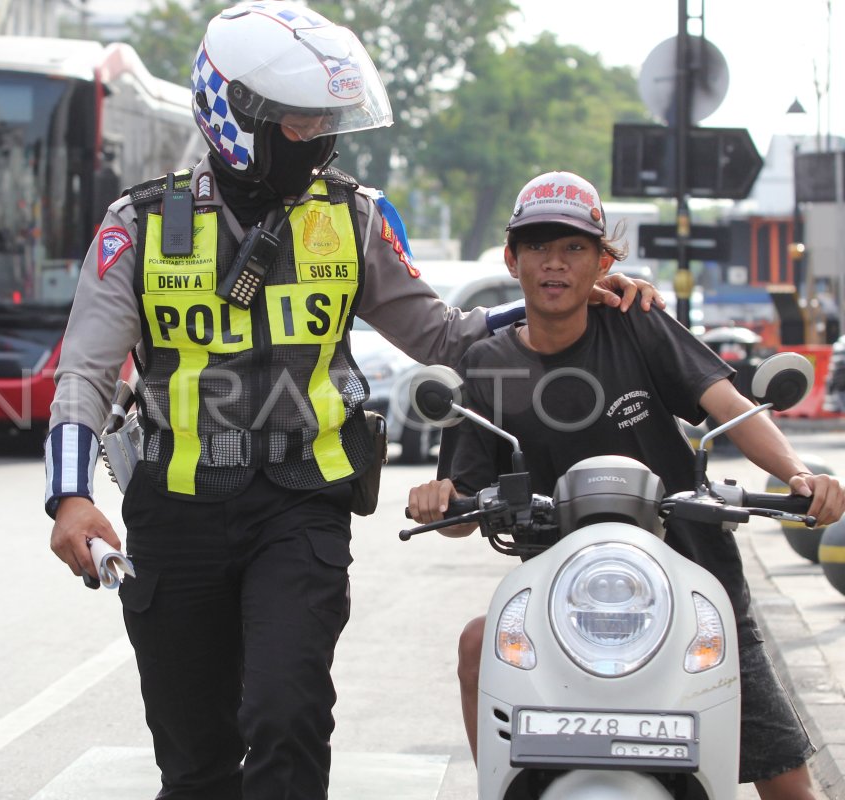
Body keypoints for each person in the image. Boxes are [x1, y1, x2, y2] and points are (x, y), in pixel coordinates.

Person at [44, 7, 657, 798]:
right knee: (195, 757)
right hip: (177, 516)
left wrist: (569, 297)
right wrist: (69, 497)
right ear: (237, 115)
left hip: (300, 509)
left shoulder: (352, 217)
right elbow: (84, 374)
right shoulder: (138, 226)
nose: (319, 138)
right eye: (300, 121)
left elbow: (444, 335)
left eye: (325, 120)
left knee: (286, 716)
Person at [406, 170, 845, 800]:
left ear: (603, 261)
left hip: (692, 576)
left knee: (790, 787)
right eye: (537, 247)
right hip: (564, 600)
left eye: (574, 249)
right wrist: (437, 498)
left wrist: (799, 475)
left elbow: (728, 406)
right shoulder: (484, 366)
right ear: (512, 258)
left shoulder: (636, 322)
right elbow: (464, 505)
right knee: (481, 643)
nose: (554, 264)